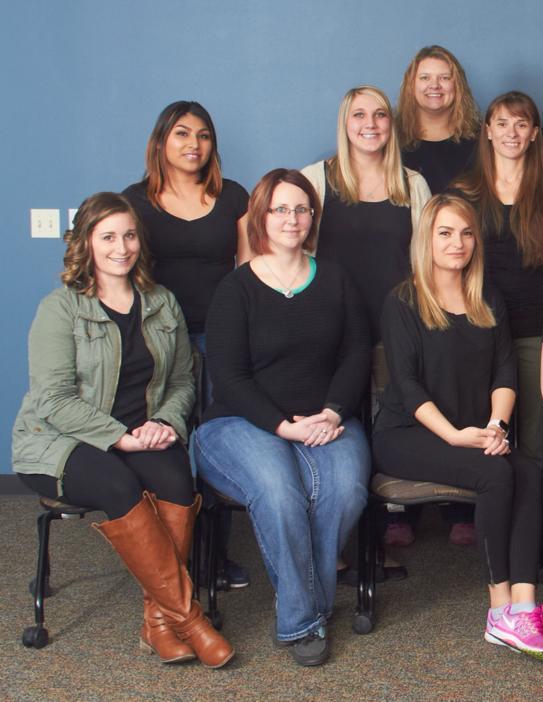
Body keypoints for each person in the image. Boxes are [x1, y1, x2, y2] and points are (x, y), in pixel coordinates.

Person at [13, 192, 232, 668]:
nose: (122, 247)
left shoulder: (161, 302)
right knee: (119, 483)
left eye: (129, 235)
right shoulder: (60, 309)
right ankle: (190, 620)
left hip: (142, 432)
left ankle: (158, 624)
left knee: (177, 480)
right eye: (108, 237)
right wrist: (119, 437)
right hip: (60, 441)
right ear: (86, 243)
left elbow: (182, 380)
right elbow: (53, 401)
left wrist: (164, 422)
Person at [192, 169, 371, 667]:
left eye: (301, 209)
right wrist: (283, 426)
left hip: (326, 418)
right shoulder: (235, 288)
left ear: (313, 217)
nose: (292, 219)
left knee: (345, 490)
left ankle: (304, 603)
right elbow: (229, 377)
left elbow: (356, 353)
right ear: (261, 217)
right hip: (241, 423)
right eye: (280, 209)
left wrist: (333, 411)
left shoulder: (336, 279)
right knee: (279, 493)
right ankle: (303, 619)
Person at [372, 194, 543, 662]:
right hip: (407, 433)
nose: (458, 242)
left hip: (474, 432)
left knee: (527, 470)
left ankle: (525, 606)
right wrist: (455, 436)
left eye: (466, 233)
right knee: (495, 473)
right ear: (426, 240)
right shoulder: (403, 301)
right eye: (446, 233)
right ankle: (499, 612)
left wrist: (496, 425)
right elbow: (407, 387)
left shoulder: (488, 298)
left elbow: (505, 372)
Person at [123, 100, 252, 588]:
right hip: (159, 341)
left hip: (222, 337)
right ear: (161, 141)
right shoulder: (135, 201)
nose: (193, 144)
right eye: (181, 133)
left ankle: (214, 556)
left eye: (203, 135)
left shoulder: (233, 196)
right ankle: (170, 559)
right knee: (169, 444)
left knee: (217, 441)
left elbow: (247, 273)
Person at [450, 91, 543, 462]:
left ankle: (531, 497)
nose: (511, 133)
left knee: (534, 435)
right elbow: (448, 266)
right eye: (502, 123)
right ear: (488, 131)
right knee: (483, 431)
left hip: (536, 328)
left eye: (521, 124)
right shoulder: (463, 193)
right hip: (478, 326)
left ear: (534, 133)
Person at [302, 84, 431, 344]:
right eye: (359, 114)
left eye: (380, 114)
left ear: (390, 123)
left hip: (397, 328)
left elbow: (428, 260)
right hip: (330, 327)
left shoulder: (413, 184)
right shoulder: (314, 179)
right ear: (345, 123)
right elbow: (296, 256)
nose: (370, 123)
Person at [395, 45, 480, 194]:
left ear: (457, 86)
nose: (434, 85)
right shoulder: (391, 137)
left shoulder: (480, 139)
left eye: (444, 78)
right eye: (425, 78)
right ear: (411, 85)